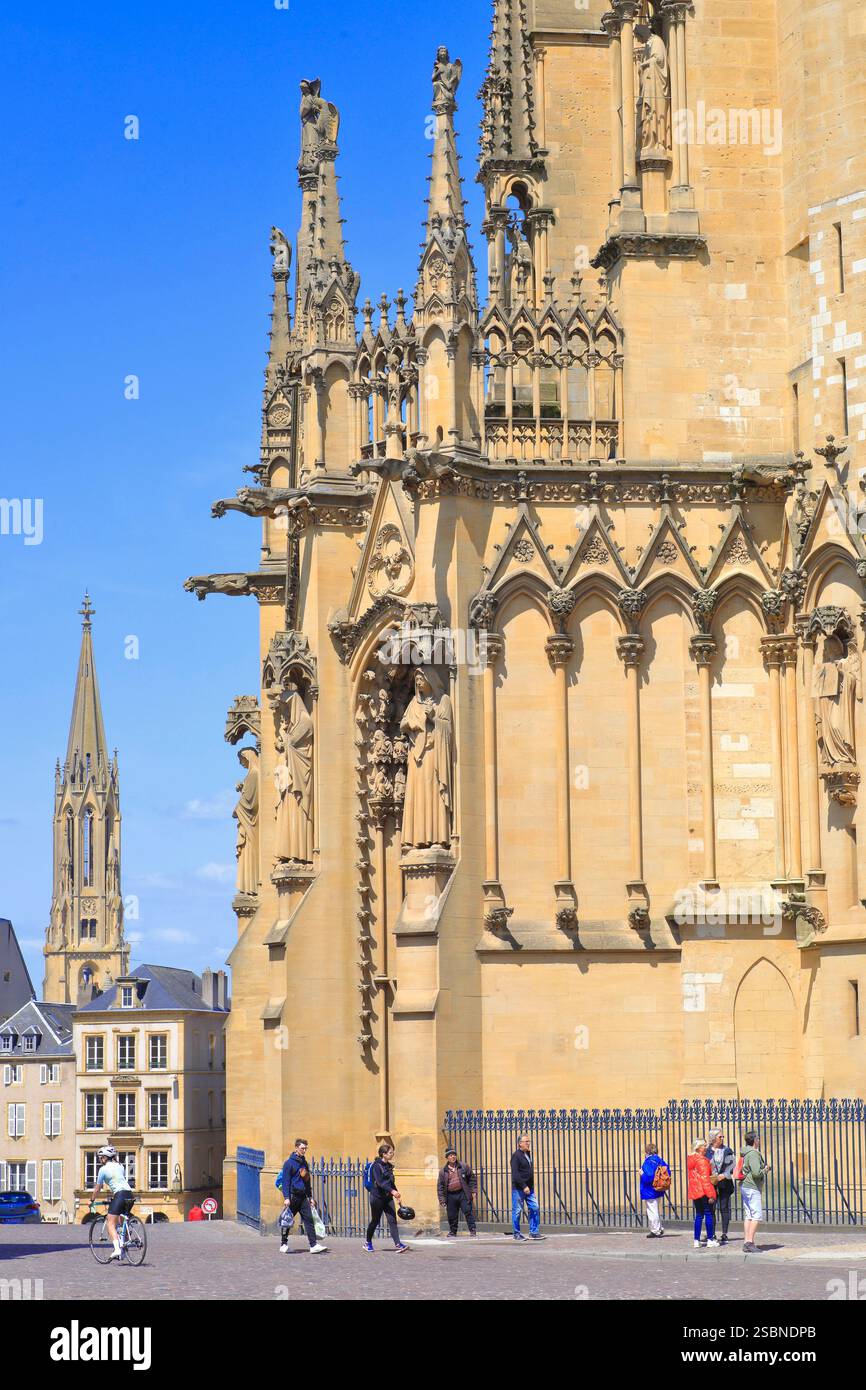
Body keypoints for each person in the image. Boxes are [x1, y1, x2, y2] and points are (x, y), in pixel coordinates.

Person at [278, 1138, 327, 1254]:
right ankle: (283, 1244)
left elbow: (307, 1181)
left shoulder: (304, 1163)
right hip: (293, 1196)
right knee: (287, 1220)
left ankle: (313, 1245)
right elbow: (286, 1181)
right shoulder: (289, 1163)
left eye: (305, 1148)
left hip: (303, 1196)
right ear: (296, 1148)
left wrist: (310, 1197)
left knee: (309, 1219)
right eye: (302, 1148)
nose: (304, 1150)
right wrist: (286, 1197)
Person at [90, 1145, 134, 1262]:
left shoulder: (103, 1170)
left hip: (119, 1195)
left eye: (100, 1158)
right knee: (121, 1221)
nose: (100, 1160)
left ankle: (117, 1249)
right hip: (129, 1194)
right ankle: (123, 1248)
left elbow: (98, 1188)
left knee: (110, 1223)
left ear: (105, 1158)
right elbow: (119, 1180)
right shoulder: (120, 1166)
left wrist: (92, 1200)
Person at [363, 1142, 409, 1253]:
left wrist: (396, 1193)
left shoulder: (388, 1166)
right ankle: (367, 1242)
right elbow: (379, 1182)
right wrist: (392, 1191)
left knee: (392, 1220)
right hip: (377, 1197)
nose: (392, 1154)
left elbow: (390, 1182)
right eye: (390, 1152)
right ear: (383, 1154)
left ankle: (398, 1244)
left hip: (387, 1197)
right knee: (375, 1220)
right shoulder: (376, 1166)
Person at [437, 1147, 478, 1237]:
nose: (453, 1157)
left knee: (468, 1211)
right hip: (450, 1195)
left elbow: (472, 1179)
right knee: (452, 1215)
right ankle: (453, 1232)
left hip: (462, 1193)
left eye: (454, 1155)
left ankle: (473, 1230)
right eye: (451, 1155)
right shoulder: (443, 1171)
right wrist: (442, 1200)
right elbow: (440, 1187)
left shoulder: (463, 1166)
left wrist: (474, 1190)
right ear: (447, 1157)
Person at [740, 1130, 770, 1254]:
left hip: (746, 1186)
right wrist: (766, 1169)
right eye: (758, 1138)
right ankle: (750, 1242)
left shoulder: (746, 1152)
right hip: (752, 1186)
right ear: (754, 1140)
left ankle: (747, 1242)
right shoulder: (753, 1154)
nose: (759, 1140)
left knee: (749, 1215)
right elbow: (756, 1173)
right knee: (756, 1215)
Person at [511, 1134, 544, 1241]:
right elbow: (515, 1174)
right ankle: (516, 1234)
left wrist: (529, 1186)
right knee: (517, 1211)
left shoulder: (527, 1154)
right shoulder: (516, 1155)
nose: (528, 1143)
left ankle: (534, 1232)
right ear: (520, 1143)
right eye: (526, 1141)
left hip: (530, 1188)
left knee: (535, 1207)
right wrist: (524, 1186)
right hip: (519, 1189)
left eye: (529, 1141)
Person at [687, 1139, 718, 1249]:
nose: (706, 1148)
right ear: (698, 1148)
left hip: (695, 1190)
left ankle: (696, 1240)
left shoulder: (691, 1159)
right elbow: (705, 1179)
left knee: (699, 1215)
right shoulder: (702, 1160)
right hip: (703, 1191)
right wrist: (711, 1194)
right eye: (704, 1146)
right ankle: (710, 1239)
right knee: (708, 1214)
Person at [707, 1126, 735, 1245]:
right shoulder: (707, 1151)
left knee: (724, 1208)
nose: (722, 1138)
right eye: (720, 1137)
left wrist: (724, 1175)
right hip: (711, 1184)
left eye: (723, 1136)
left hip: (724, 1183)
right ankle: (712, 1233)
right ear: (713, 1138)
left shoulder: (727, 1150)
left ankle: (724, 1233)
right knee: (711, 1208)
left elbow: (732, 1166)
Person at [639, 1142, 671, 1239]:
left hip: (650, 1189)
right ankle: (659, 1228)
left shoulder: (648, 1161)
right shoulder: (660, 1161)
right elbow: (667, 1172)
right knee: (655, 1209)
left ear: (647, 1152)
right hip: (659, 1187)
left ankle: (655, 1231)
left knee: (652, 1210)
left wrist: (641, 1174)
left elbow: (648, 1177)